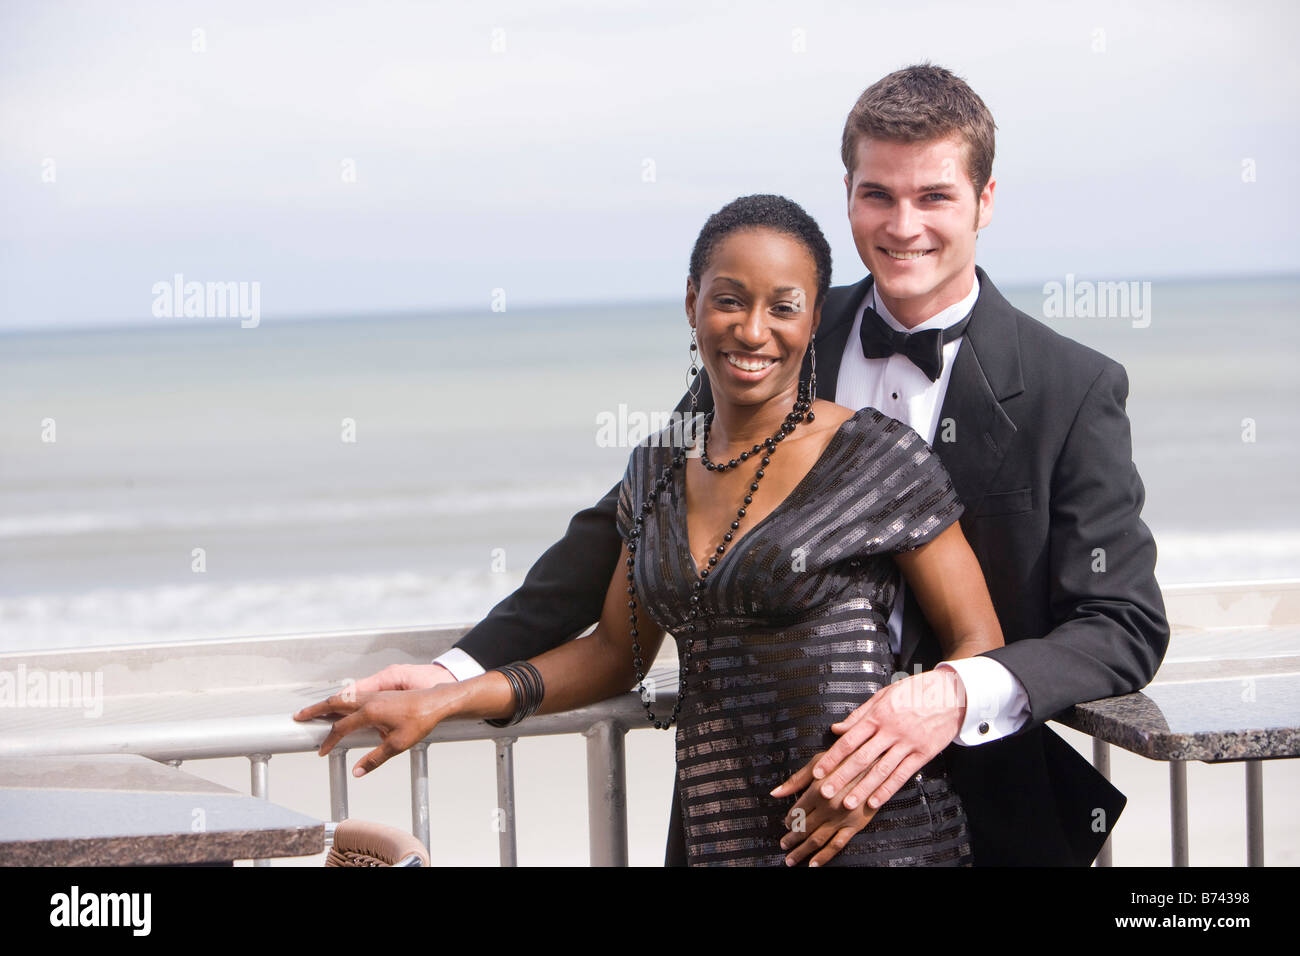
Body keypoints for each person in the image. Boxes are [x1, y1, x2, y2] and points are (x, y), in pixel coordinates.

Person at [297, 63, 1170, 867]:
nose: (904, 226)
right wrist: (455, 673)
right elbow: (621, 532)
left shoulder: (1073, 386)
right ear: (849, 196)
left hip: (965, 821)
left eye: (934, 196)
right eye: (879, 195)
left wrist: (950, 696)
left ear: (984, 201)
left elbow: (1123, 624)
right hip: (740, 819)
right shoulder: (773, 332)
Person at [298, 193, 1006, 866]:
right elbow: (614, 652)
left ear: (813, 318)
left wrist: (880, 767)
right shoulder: (659, 469)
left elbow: (980, 642)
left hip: (870, 834)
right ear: (692, 302)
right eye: (729, 299)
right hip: (722, 843)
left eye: (782, 307)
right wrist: (445, 697)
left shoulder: (876, 458)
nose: (753, 330)